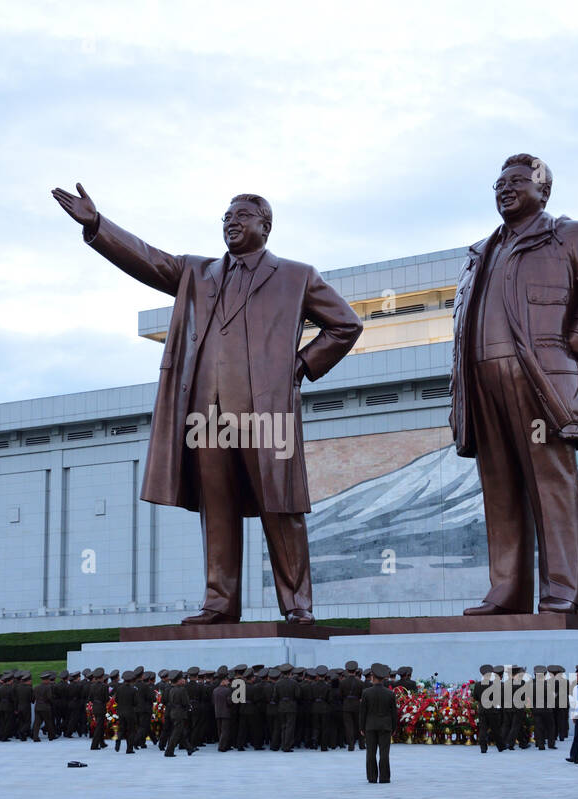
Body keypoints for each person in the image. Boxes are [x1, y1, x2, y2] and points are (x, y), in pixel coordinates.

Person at [52, 184, 362, 626]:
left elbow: (346, 324)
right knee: (217, 511)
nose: (231, 222)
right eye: (226, 217)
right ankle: (219, 604)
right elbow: (148, 258)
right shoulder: (197, 273)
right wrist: (99, 226)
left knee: (281, 507)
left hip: (266, 413)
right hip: (205, 415)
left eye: (241, 216)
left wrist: (298, 367)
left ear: (265, 227)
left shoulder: (296, 276)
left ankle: (297, 606)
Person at [451, 155, 578, 616]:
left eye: (515, 182)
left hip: (539, 381)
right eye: (498, 183)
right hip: (482, 382)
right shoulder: (480, 252)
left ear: (543, 191)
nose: (504, 189)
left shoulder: (570, 236)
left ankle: (561, 592)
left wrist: (576, 338)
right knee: (499, 487)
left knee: (551, 484)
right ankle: (506, 592)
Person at [360, 663, 396, 783]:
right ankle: (385, 777)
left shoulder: (366, 692)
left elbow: (363, 712)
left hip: (370, 726)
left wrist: (361, 727)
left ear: (373, 677)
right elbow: (394, 713)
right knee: (384, 753)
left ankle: (372, 777)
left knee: (370, 753)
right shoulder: (390, 693)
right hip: (385, 726)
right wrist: (394, 728)